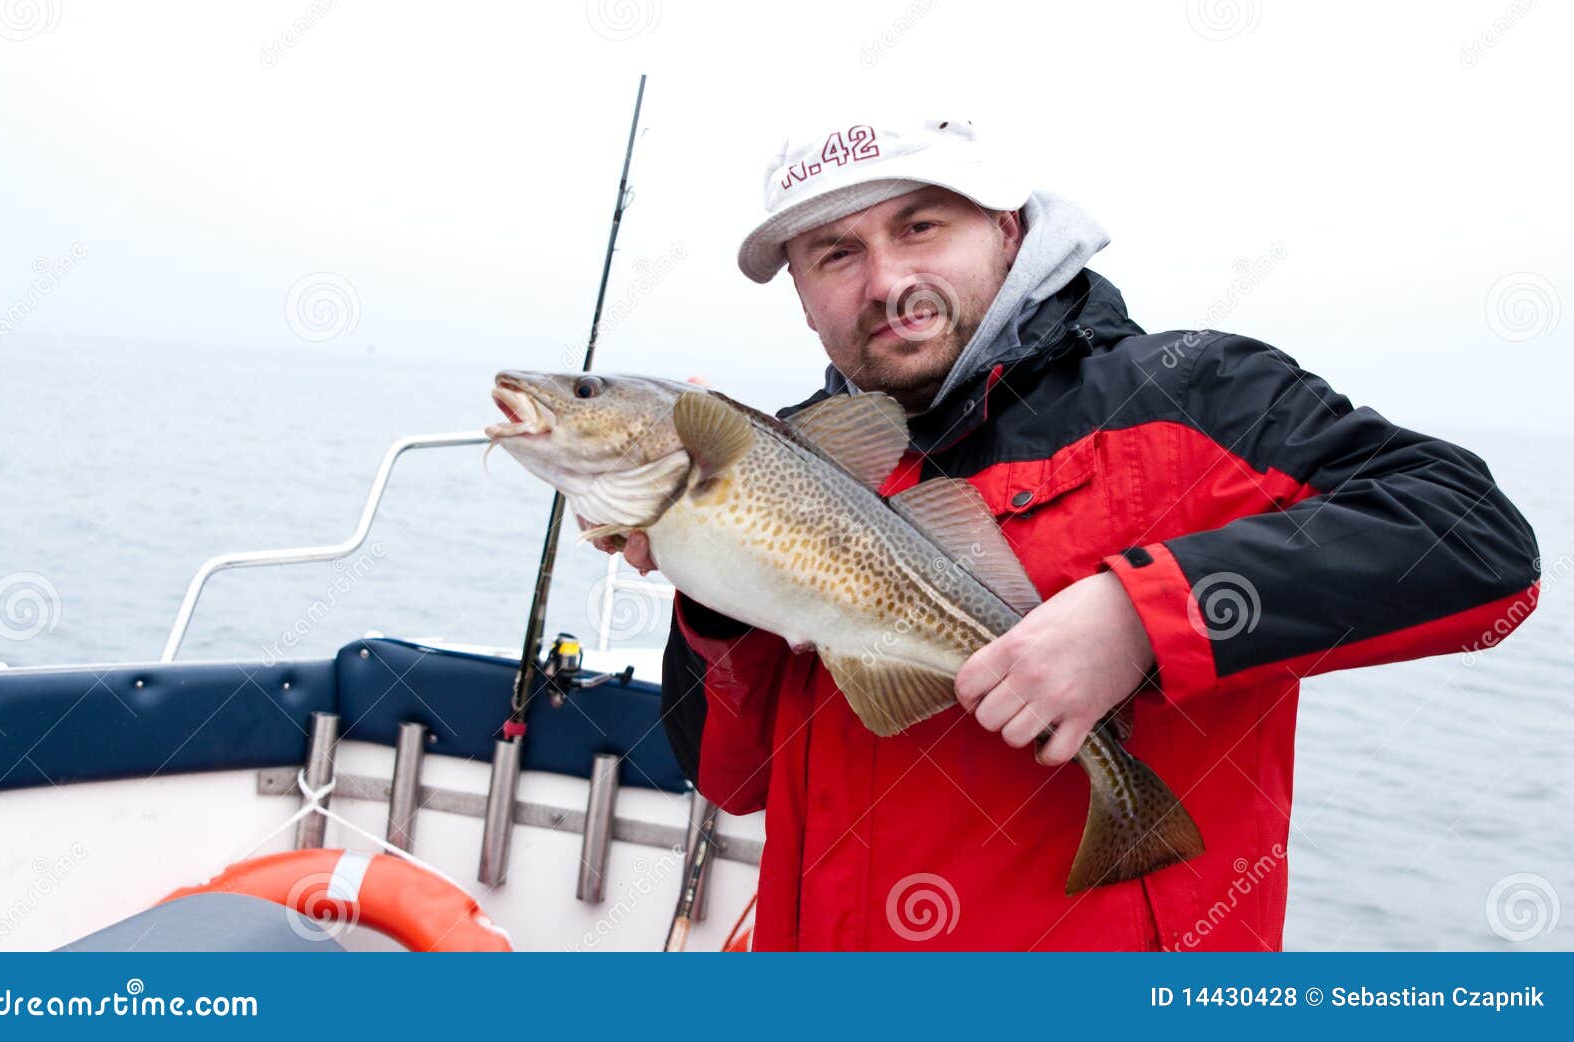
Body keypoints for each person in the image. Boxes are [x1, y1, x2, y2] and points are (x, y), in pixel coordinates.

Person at [586, 118, 1541, 950]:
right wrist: (715, 590)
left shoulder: (1194, 394)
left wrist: (1143, 618)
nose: (887, 281)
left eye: (920, 225)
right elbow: (730, 778)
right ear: (800, 291)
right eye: (836, 254)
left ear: (1008, 227)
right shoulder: (785, 458)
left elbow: (1473, 540)